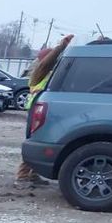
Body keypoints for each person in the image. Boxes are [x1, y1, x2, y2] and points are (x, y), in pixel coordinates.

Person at [16, 33, 74, 187]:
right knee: (34, 141)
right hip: (37, 112)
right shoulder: (39, 73)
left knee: (42, 142)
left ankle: (33, 174)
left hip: (44, 112)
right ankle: (22, 176)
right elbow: (47, 63)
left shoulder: (49, 74)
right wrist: (60, 47)